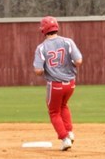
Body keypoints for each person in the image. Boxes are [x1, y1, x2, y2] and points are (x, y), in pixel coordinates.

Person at [33, 16, 82, 151]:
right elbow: (78, 61)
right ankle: (69, 132)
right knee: (63, 105)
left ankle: (65, 138)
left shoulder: (42, 48)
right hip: (70, 83)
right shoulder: (68, 42)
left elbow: (38, 70)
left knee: (54, 112)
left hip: (55, 85)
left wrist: (45, 70)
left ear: (43, 30)